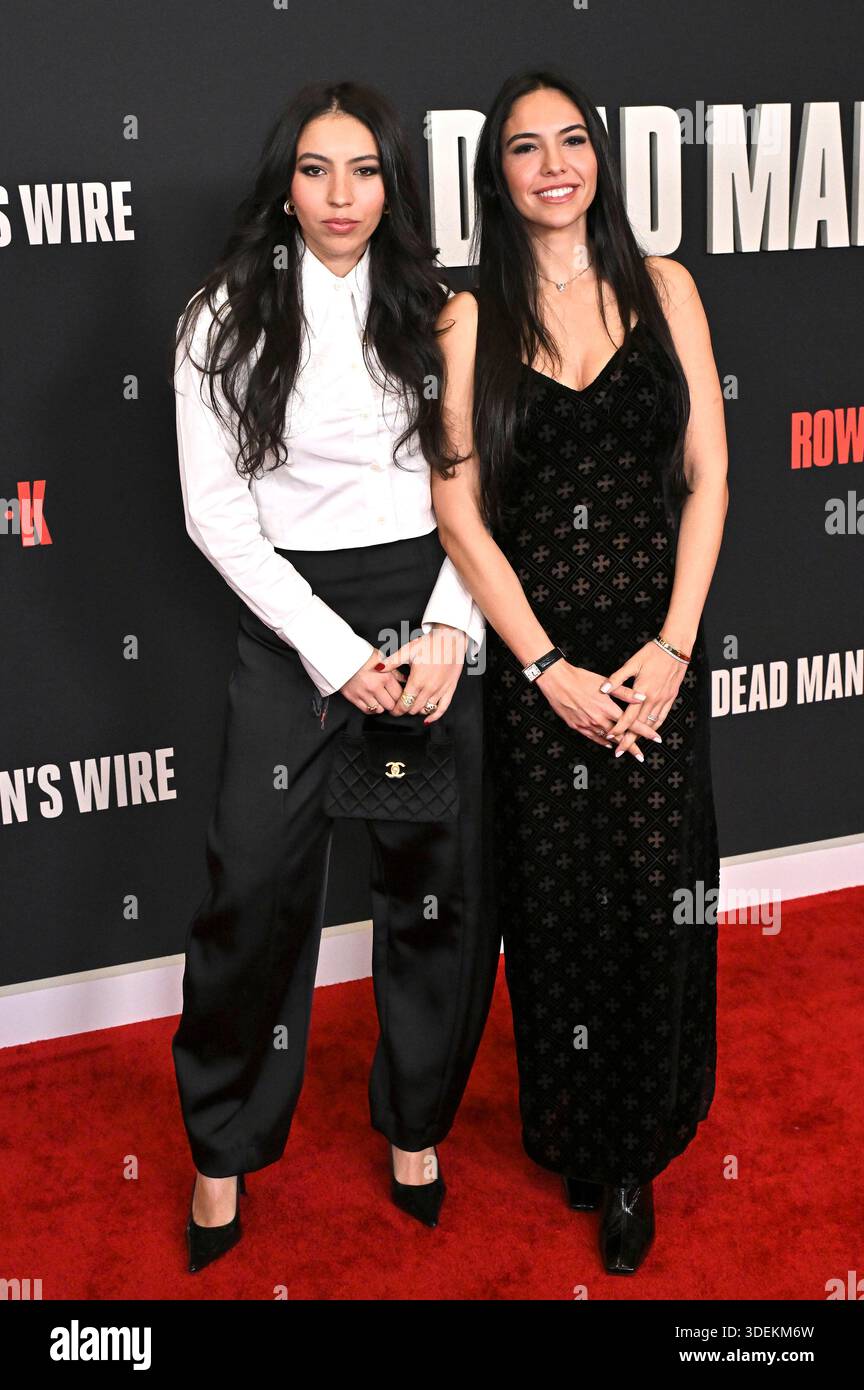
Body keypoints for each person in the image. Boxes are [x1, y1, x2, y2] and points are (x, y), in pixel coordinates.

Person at [169, 81, 501, 1273]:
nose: (341, 195)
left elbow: (479, 480)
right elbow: (217, 516)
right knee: (252, 889)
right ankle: (223, 1144)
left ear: (392, 187)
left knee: (433, 888)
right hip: (293, 629)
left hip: (428, 607)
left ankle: (415, 1125)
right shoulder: (221, 315)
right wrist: (339, 654)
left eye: (363, 170)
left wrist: (450, 624)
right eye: (317, 170)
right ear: (287, 185)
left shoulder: (441, 310)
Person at [425, 70, 728, 1274]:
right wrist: (545, 665)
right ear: (495, 175)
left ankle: (636, 1152)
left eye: (572, 141)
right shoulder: (467, 320)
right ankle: (583, 1133)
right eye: (524, 147)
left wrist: (675, 647)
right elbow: (458, 511)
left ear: (600, 158)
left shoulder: (666, 288)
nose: (554, 165)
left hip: (657, 662)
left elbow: (709, 477)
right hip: (540, 672)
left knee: (655, 904)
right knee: (560, 919)